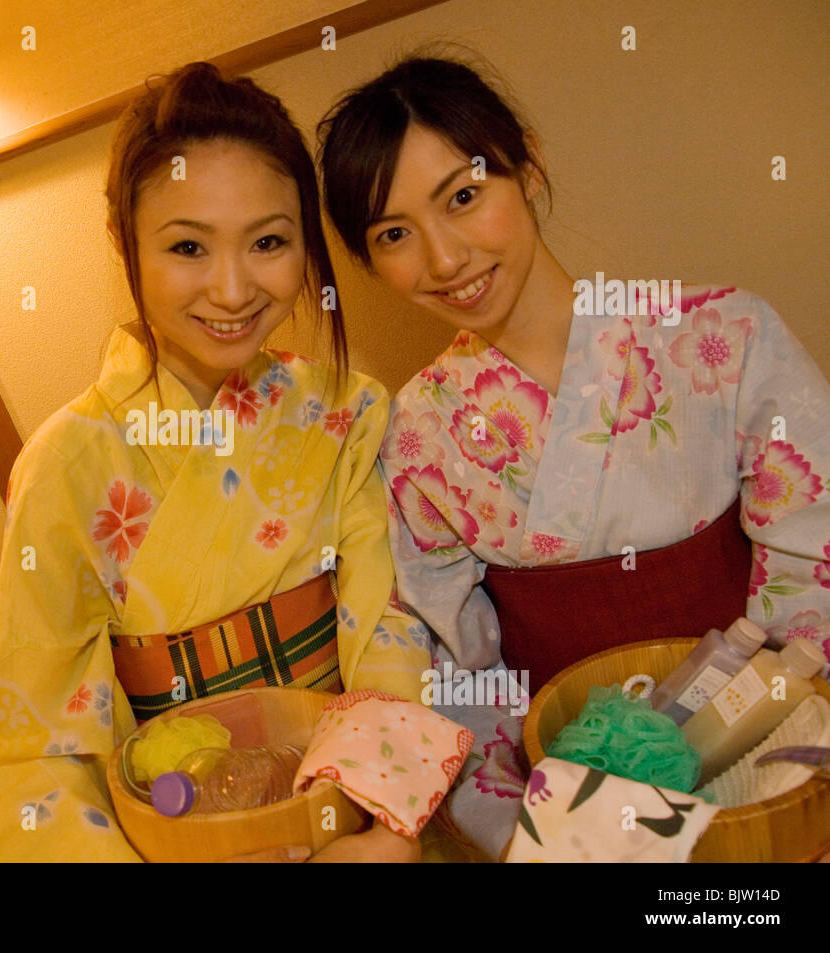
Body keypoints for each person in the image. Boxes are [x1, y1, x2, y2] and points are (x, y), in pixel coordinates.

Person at [318, 52, 830, 858]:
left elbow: (813, 568)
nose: (446, 259)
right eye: (395, 234)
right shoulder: (417, 434)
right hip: (565, 796)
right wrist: (555, 824)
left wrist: (757, 766)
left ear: (526, 160)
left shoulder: (725, 337)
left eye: (463, 195)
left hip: (768, 764)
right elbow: (456, 667)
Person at [0, 62, 433, 862]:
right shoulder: (71, 462)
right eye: (188, 246)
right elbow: (18, 745)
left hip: (348, 816)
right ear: (123, 244)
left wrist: (387, 818)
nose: (232, 289)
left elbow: (385, 629)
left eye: (269, 242)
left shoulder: (344, 411)